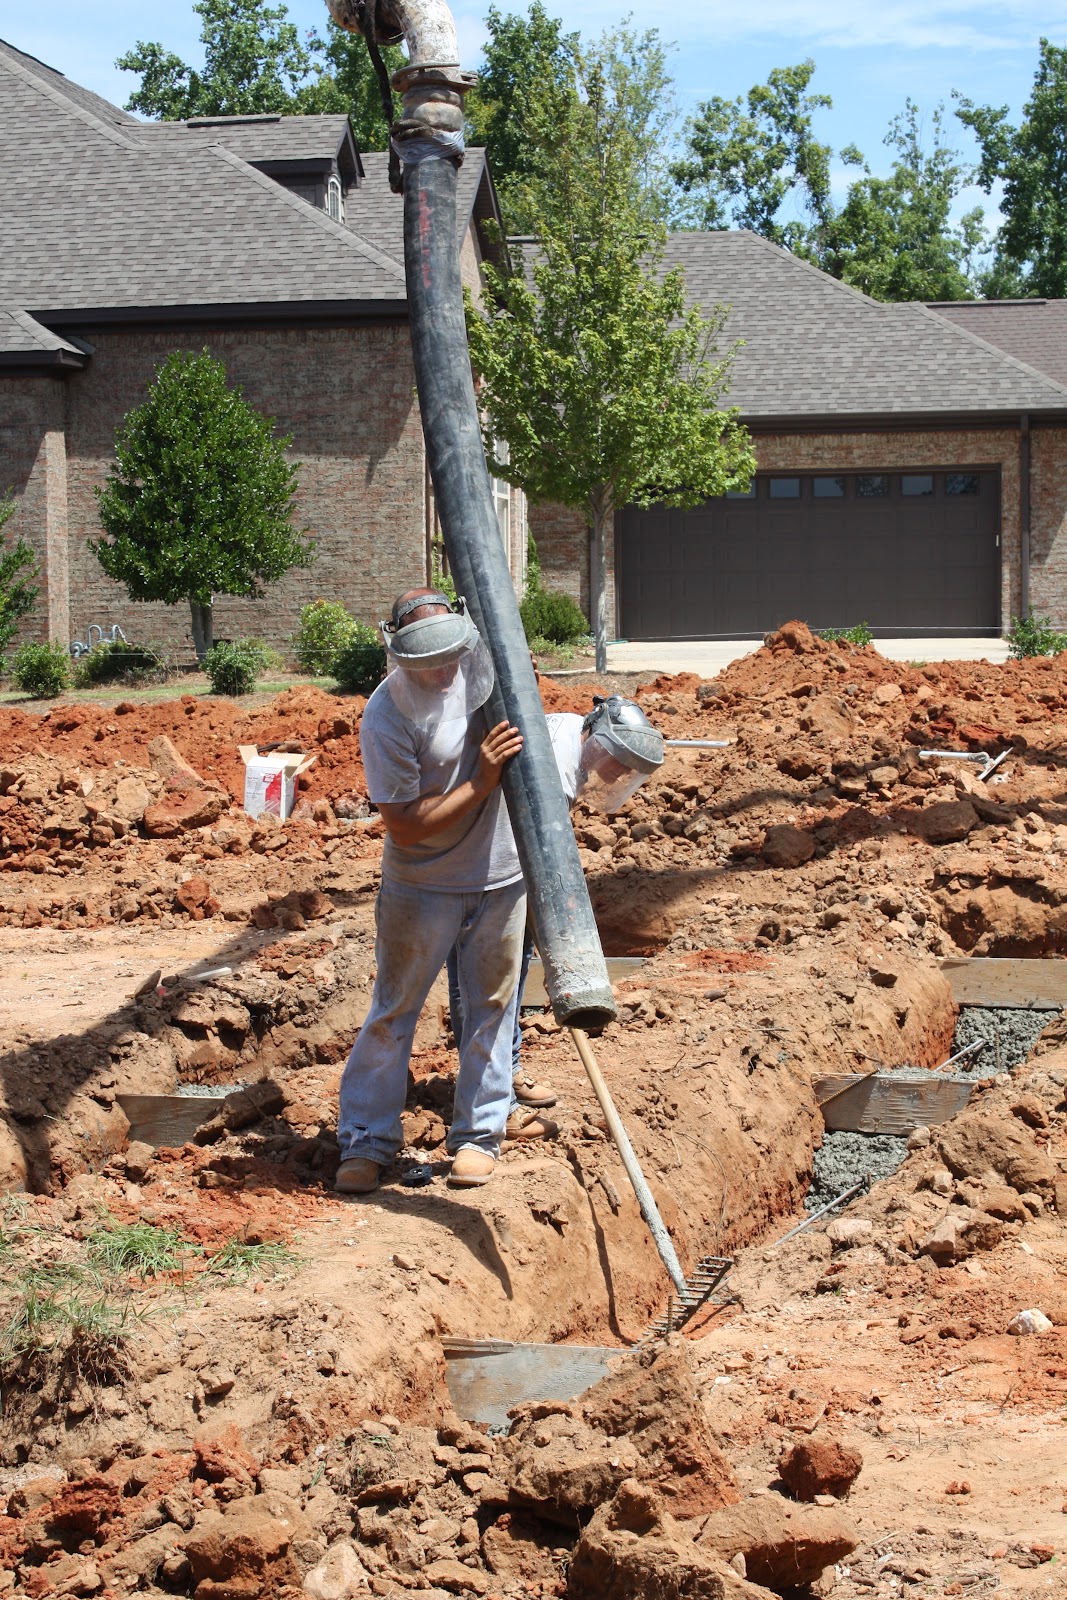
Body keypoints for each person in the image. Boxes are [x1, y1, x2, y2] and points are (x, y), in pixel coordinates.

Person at [335, 588, 527, 1194]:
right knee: (393, 1014)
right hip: (423, 887)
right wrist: (481, 780)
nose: (442, 672)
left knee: (493, 1010)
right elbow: (405, 823)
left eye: (450, 657)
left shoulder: (484, 676)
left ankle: (478, 1135)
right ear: (398, 655)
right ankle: (366, 1140)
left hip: (500, 878)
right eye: (427, 663)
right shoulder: (386, 716)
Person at [446, 694, 665, 1135]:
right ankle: (494, 1105)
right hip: (477, 873)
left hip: (506, 867)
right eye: (618, 761)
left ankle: (508, 1070)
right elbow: (541, 850)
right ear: (596, 739)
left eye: (627, 769)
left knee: (511, 975)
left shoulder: (571, 734)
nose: (619, 773)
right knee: (485, 988)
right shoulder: (558, 765)